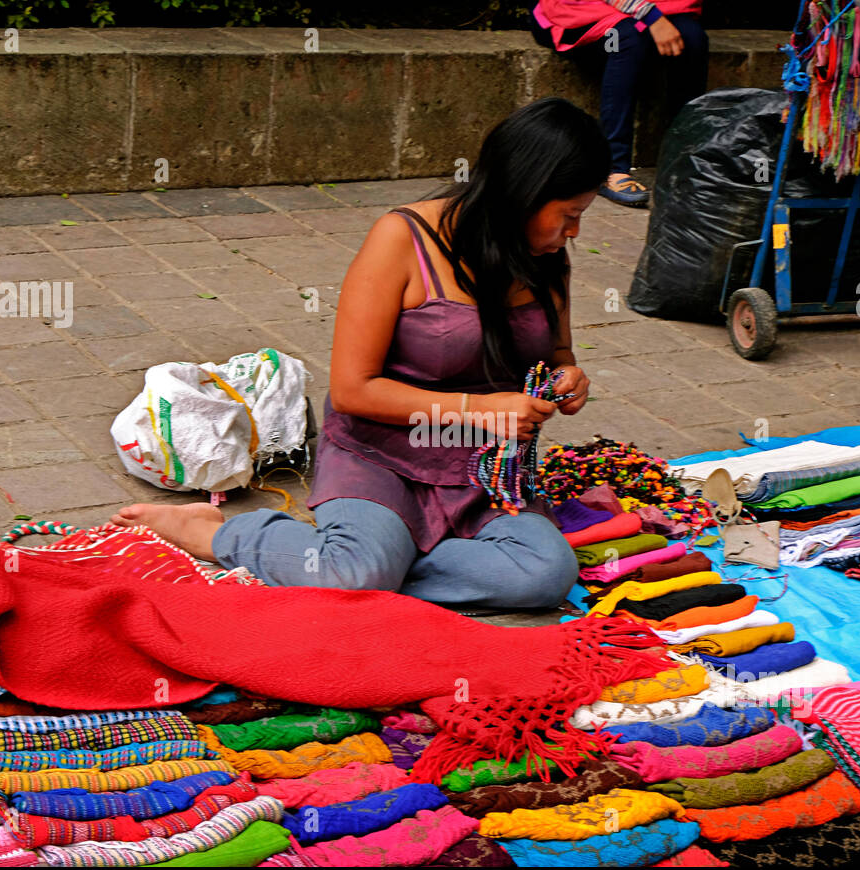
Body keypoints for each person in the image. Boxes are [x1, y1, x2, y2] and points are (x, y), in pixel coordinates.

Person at [111, 97, 609, 609]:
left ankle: (369, 564)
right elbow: (352, 391)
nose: (573, 232)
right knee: (357, 574)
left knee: (543, 574)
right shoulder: (405, 239)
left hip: (484, 471)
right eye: (569, 214)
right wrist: (483, 409)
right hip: (382, 456)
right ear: (522, 194)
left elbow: (556, 352)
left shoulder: (547, 259)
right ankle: (220, 535)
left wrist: (567, 376)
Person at [530, 0, 708, 207]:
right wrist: (651, 18)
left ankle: (683, 161)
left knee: (692, 38)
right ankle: (612, 169)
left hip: (645, 11)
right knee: (627, 38)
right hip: (575, 14)